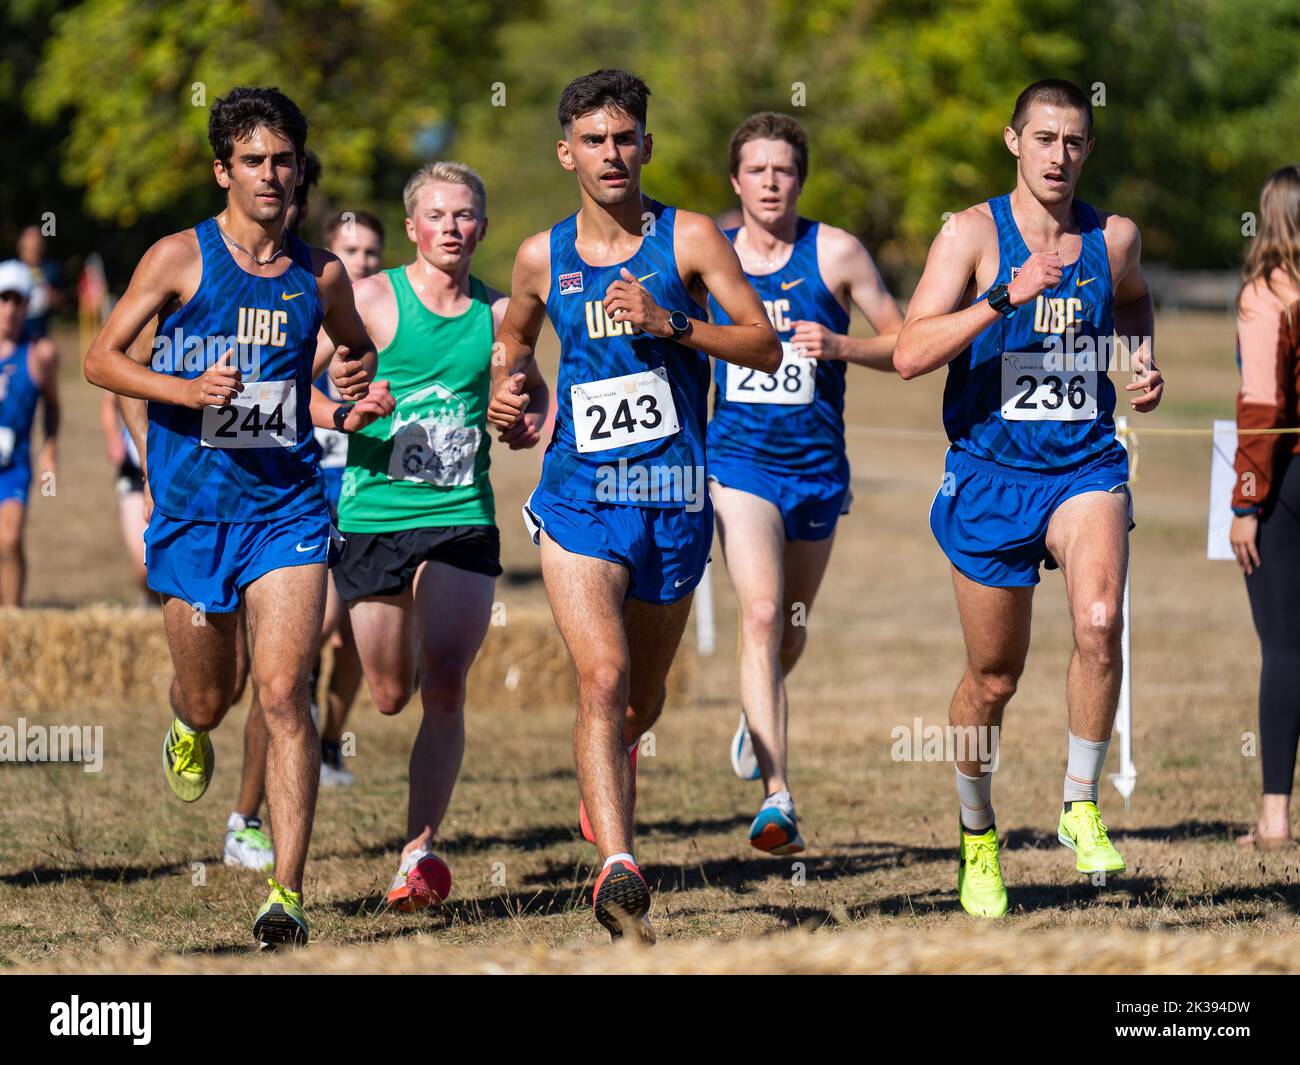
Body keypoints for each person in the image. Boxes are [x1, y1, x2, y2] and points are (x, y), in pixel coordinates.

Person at [488, 69, 780, 941]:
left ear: (646, 147)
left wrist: (672, 323)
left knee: (640, 697)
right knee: (602, 675)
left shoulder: (689, 238)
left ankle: (607, 774)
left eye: (626, 139)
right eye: (594, 140)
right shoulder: (543, 253)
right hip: (580, 498)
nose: (611, 155)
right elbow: (515, 328)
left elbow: (763, 344)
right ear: (565, 150)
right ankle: (619, 865)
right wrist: (513, 379)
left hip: (672, 499)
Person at [84, 86, 378, 947]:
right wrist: (183, 390)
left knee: (286, 693)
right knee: (217, 697)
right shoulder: (179, 257)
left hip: (286, 506)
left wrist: (352, 386)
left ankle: (285, 891)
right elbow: (102, 359)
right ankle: (186, 717)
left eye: (283, 161)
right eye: (253, 161)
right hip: (191, 511)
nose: (271, 176)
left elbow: (356, 345)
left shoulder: (318, 274)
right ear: (224, 170)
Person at [893, 79, 1164, 918]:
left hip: (1085, 465)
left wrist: (1140, 363)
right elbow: (908, 352)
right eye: (1043, 138)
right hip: (988, 477)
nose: (1059, 156)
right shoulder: (971, 235)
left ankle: (1079, 803)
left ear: (1088, 149)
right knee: (993, 677)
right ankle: (978, 834)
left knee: (1097, 619)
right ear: (1014, 142)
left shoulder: (1111, 238)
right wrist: (1005, 293)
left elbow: (1131, 303)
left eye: (1075, 141)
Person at [332, 163, 529, 910]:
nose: (452, 226)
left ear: (481, 226)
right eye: (437, 215)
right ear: (412, 228)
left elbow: (527, 391)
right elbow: (305, 381)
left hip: (461, 515)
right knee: (388, 694)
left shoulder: (504, 314)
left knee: (444, 682)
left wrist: (523, 418)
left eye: (466, 214)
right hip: (375, 516)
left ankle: (416, 853)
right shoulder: (370, 298)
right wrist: (345, 401)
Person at [707, 112, 904, 855]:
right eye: (755, 169)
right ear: (736, 181)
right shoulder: (712, 257)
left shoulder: (837, 252)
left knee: (788, 629)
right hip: (738, 466)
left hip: (818, 472)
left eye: (782, 170)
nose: (769, 182)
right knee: (759, 614)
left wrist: (844, 344)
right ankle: (777, 796)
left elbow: (908, 342)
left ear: (800, 179)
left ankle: (758, 710)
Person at [1229, 164, 1300, 848]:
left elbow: (1263, 407)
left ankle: (1275, 816)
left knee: (1284, 646)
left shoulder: (1266, 294)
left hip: (1288, 482)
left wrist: (1247, 498)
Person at [313, 208, 384, 786]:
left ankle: (330, 742)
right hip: (310, 492)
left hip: (366, 491)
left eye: (370, 254)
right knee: (320, 624)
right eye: (350, 252)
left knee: (354, 634)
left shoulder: (385, 325)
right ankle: (301, 721)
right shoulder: (304, 320)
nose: (360, 263)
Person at [0, 259, 59, 606]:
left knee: (8, 539)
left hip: (14, 463)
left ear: (27, 305)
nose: (9, 309)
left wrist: (49, 450)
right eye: (3, 299)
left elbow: (52, 405)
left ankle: (11, 616)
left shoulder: (41, 353)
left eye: (17, 301)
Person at [98, 390, 150, 603]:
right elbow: (110, 402)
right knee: (143, 566)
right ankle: (150, 604)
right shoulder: (132, 356)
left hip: (173, 471)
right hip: (133, 471)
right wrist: (113, 438)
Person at [16, 227, 63, 342]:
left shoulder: (50, 270)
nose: (33, 252)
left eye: (36, 248)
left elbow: (60, 302)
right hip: (17, 329)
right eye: (30, 249)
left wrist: (51, 294)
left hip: (40, 330)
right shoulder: (13, 271)